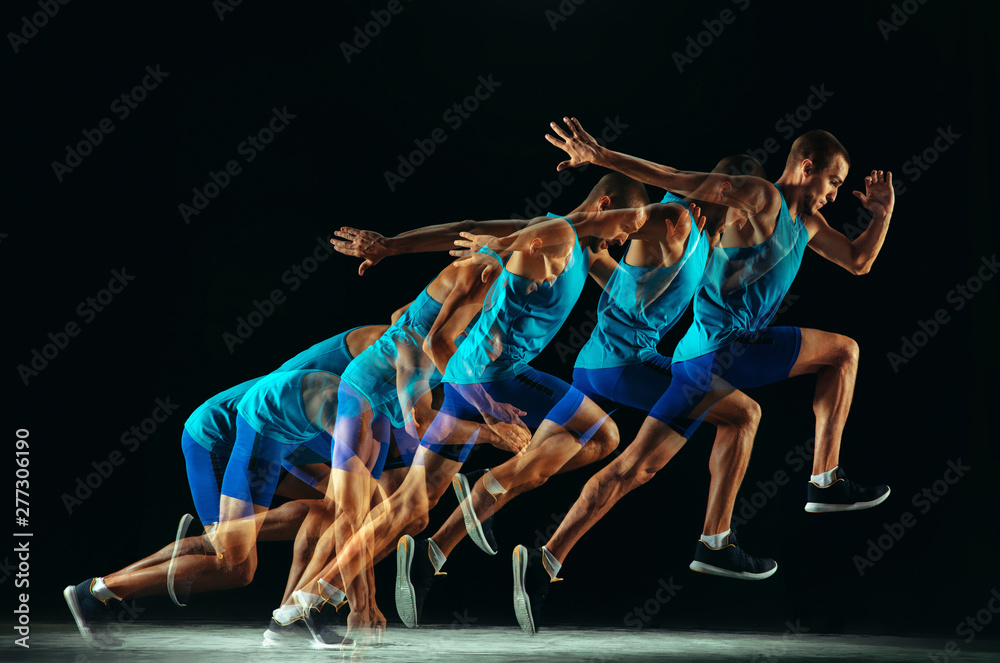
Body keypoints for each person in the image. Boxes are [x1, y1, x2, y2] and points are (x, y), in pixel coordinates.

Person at [508, 118, 895, 635]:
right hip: (721, 350)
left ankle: (547, 559)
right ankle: (823, 480)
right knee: (842, 353)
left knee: (640, 468)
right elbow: (678, 176)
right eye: (833, 182)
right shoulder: (763, 198)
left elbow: (860, 262)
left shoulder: (808, 226)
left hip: (701, 364)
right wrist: (601, 156)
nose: (835, 194)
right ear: (806, 167)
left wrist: (883, 214)